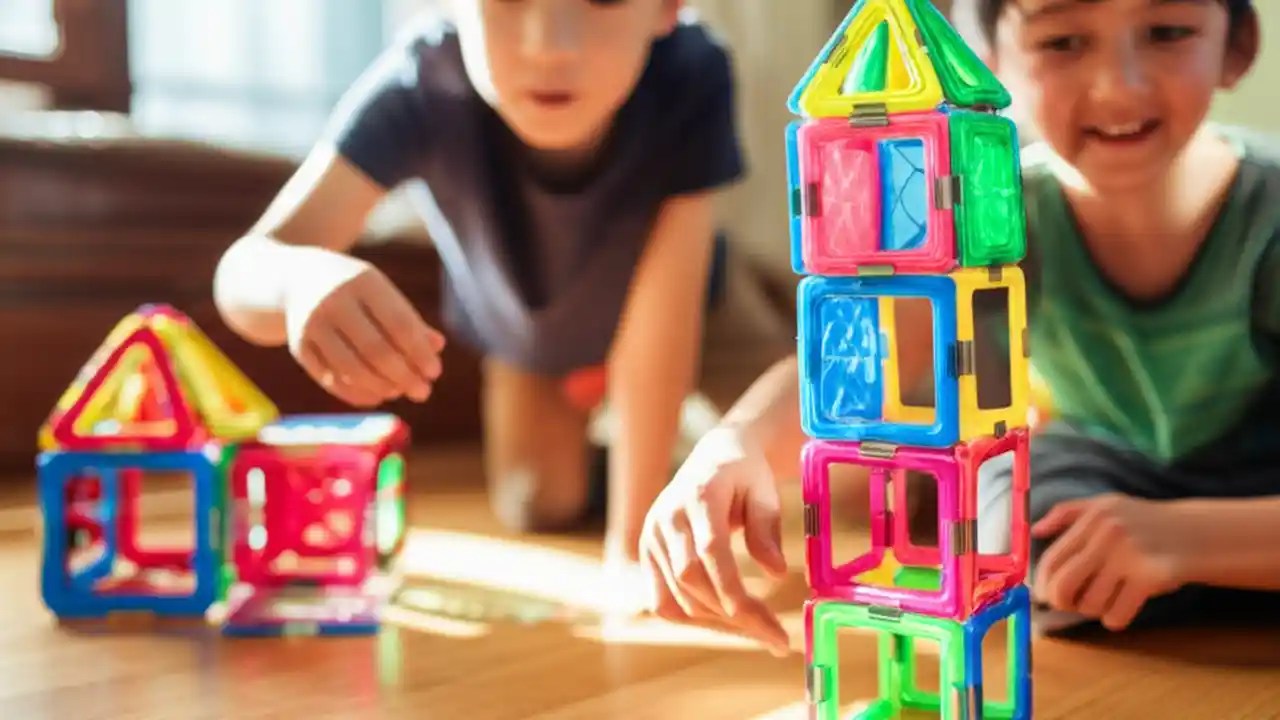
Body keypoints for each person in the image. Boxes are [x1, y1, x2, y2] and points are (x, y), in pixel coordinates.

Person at [637, 0, 1280, 655]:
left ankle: (1214, 568)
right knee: (1013, 527)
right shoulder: (997, 211)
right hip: (1104, 473)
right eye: (1062, 43)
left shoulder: (1270, 216)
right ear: (993, 63)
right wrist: (735, 442)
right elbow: (877, 344)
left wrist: (1191, 538)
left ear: (1237, 48)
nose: (1118, 85)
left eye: (1168, 32)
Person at [212, 0, 745, 579]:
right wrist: (300, 281)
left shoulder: (692, 72)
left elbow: (664, 321)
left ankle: (673, 439)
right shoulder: (422, 85)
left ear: (667, 8)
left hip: (700, 311)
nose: (550, 45)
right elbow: (241, 273)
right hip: (537, 337)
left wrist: (635, 539)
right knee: (539, 500)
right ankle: (641, 441)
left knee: (828, 466)